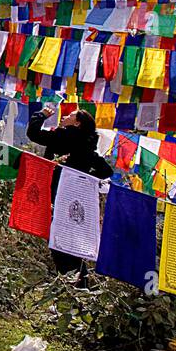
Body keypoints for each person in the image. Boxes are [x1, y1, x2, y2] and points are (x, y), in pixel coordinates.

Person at [27, 106, 112, 277]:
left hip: (57, 193)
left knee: (58, 241)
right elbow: (106, 171)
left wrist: (41, 115)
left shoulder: (64, 136)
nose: (65, 116)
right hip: (76, 198)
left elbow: (33, 134)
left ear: (78, 123)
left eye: (71, 115)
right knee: (71, 242)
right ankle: (80, 283)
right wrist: (86, 179)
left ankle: (71, 281)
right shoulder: (88, 144)